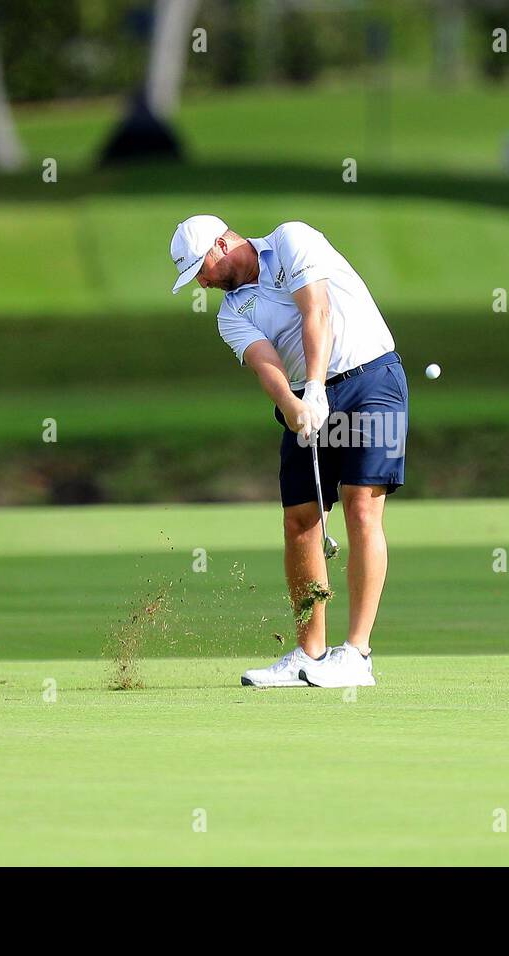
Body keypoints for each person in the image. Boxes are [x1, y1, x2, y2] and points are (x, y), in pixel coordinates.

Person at [168, 215, 408, 688]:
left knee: (362, 509)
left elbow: (315, 310)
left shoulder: (293, 239)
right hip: (304, 398)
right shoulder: (230, 313)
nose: (203, 280)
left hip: (371, 378)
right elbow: (265, 362)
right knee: (301, 520)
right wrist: (294, 405)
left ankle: (357, 655)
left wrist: (316, 387)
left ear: (223, 243)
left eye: (202, 266)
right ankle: (310, 654)